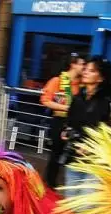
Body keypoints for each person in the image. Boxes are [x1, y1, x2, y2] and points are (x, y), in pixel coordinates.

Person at [54, 56, 111, 214]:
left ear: (100, 77)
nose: (86, 72)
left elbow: (110, 132)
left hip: (94, 163)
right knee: (72, 209)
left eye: (91, 70)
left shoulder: (107, 102)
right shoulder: (78, 98)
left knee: (88, 210)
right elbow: (69, 124)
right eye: (86, 69)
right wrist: (66, 134)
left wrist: (92, 146)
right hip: (73, 160)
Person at [40, 53, 85, 188]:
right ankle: (50, 183)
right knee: (56, 153)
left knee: (72, 154)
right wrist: (66, 108)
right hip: (59, 120)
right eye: (82, 64)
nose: (84, 67)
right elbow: (45, 100)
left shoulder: (82, 84)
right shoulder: (57, 81)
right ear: (73, 64)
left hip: (74, 122)